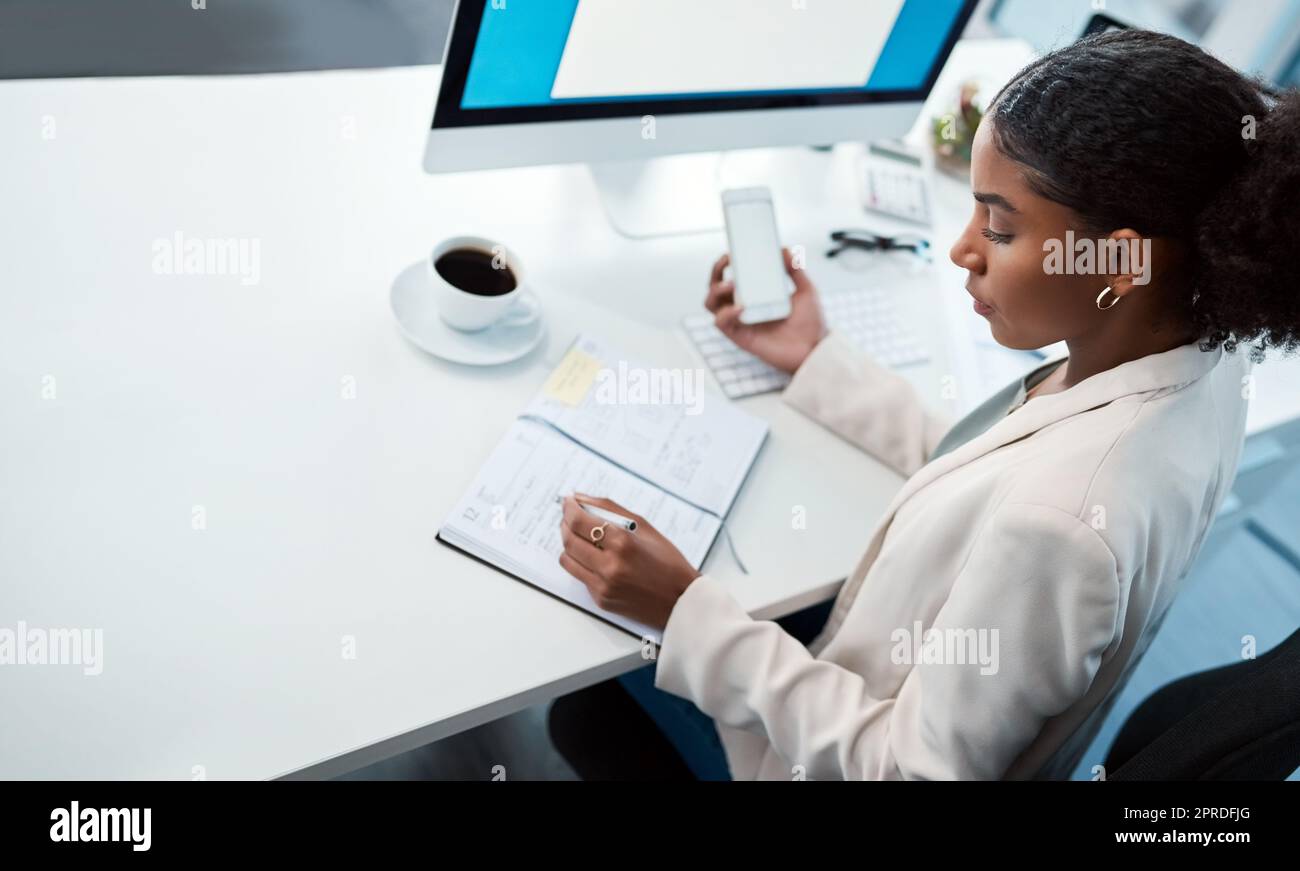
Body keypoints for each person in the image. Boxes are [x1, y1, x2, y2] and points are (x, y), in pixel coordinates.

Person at [554, 29, 1300, 780]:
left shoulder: (1062, 527)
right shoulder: (1198, 358)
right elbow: (1003, 454)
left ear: (1122, 260)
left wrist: (685, 611)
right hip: (904, 663)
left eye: (999, 227)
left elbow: (907, 770)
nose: (962, 249)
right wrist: (818, 361)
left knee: (586, 692)